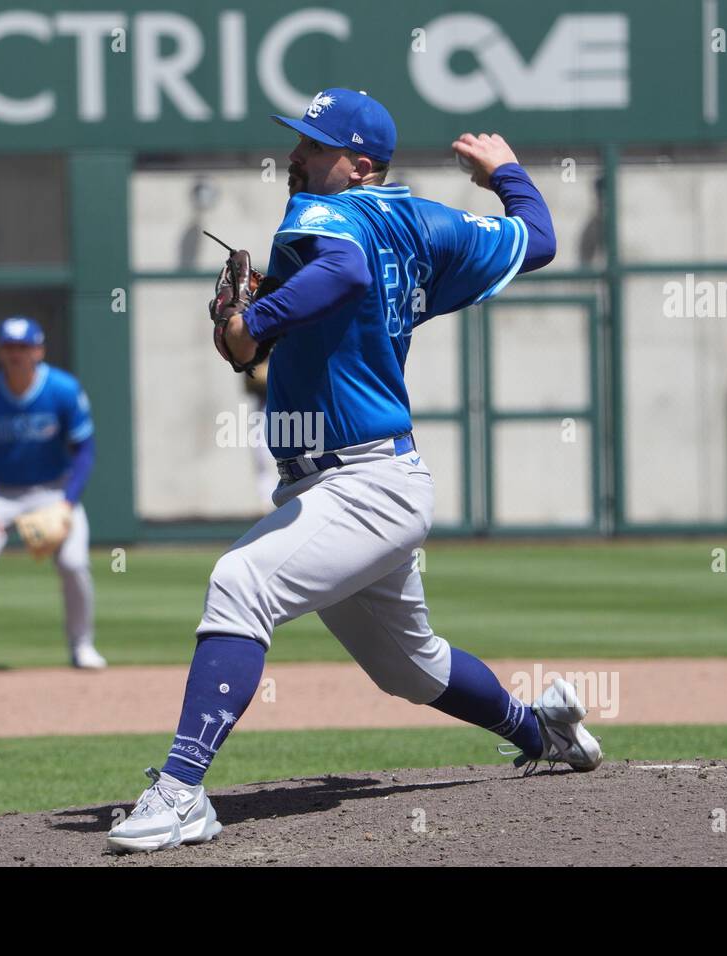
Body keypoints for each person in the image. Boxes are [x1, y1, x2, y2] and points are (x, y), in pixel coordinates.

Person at [106, 89, 599, 854]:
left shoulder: (324, 212)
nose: (296, 157)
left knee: (241, 582)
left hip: (363, 486)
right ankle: (544, 731)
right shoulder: (426, 223)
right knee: (412, 668)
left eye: (313, 146)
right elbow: (536, 241)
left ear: (359, 165)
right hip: (366, 481)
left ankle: (180, 793)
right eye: (299, 141)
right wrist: (506, 173)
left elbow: (341, 273)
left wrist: (251, 326)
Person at [0, 316, 106, 672]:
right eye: (9, 347)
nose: (16, 354)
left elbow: (85, 452)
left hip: (53, 489)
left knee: (74, 564)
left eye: (23, 347)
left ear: (38, 350)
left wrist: (67, 503)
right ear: (0, 351)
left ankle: (82, 645)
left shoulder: (62, 388)